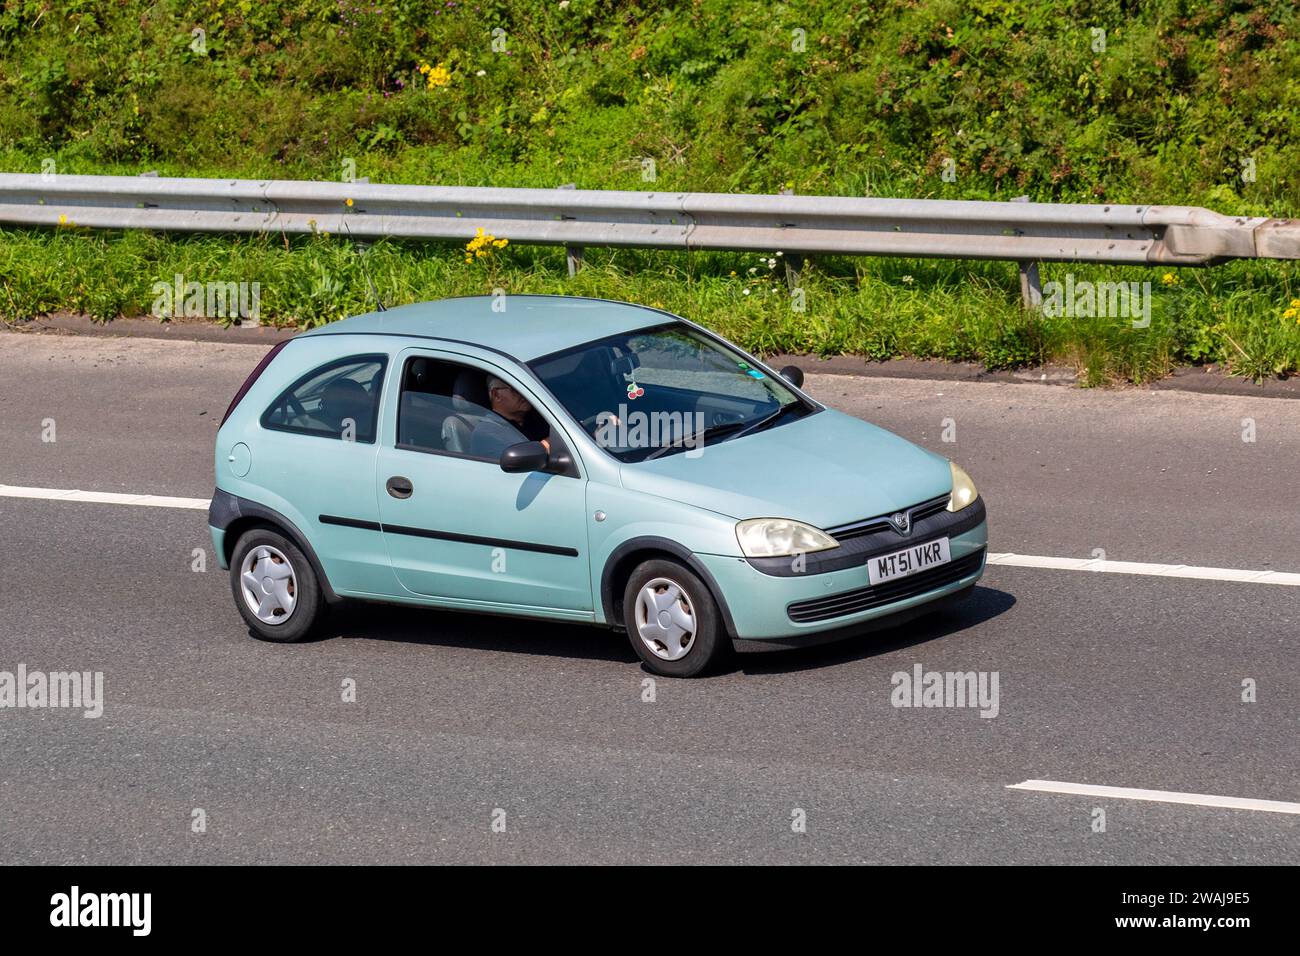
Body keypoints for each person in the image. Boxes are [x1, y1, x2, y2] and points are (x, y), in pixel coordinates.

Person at [470, 375, 551, 459]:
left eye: (526, 389)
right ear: (496, 394)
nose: (524, 394)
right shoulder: (486, 432)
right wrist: (545, 446)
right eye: (516, 389)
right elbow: (519, 462)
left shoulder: (539, 419)